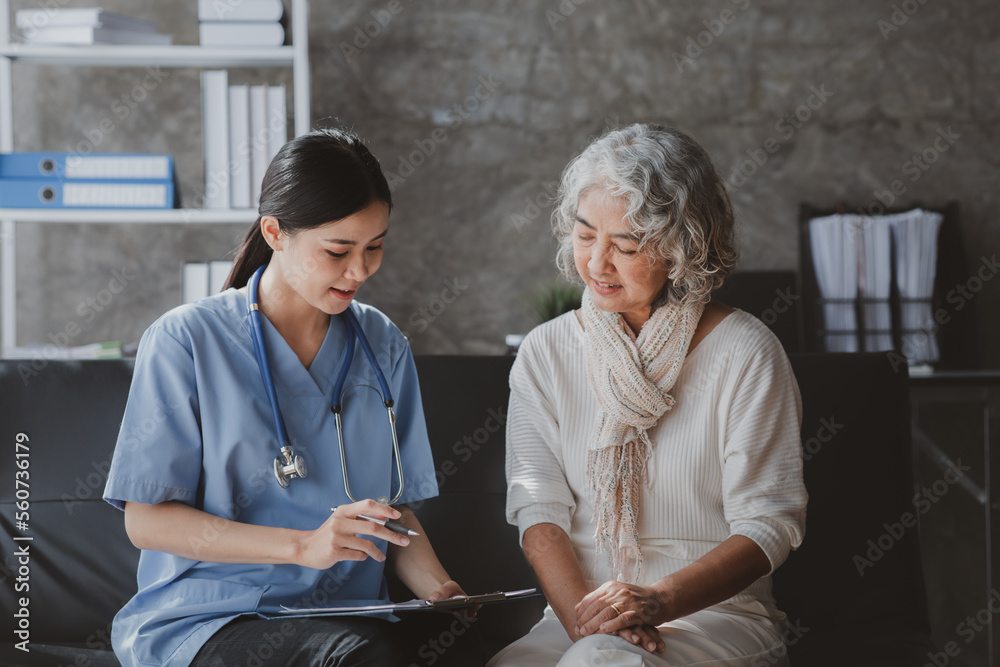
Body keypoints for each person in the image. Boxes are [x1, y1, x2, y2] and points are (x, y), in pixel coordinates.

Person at [103, 128, 483, 667]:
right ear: (275, 232)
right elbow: (146, 522)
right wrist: (303, 546)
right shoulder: (186, 341)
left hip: (351, 619)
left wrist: (441, 590)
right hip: (213, 618)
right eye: (337, 250)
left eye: (374, 247)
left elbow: (391, 513)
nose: (360, 270)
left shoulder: (383, 346)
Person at [489, 124, 808, 667]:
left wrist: (656, 601)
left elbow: (768, 526)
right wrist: (591, 626)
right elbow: (539, 514)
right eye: (586, 235)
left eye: (627, 245)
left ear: (685, 246)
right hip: (577, 617)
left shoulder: (747, 351)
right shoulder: (546, 351)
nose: (596, 263)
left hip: (715, 618)